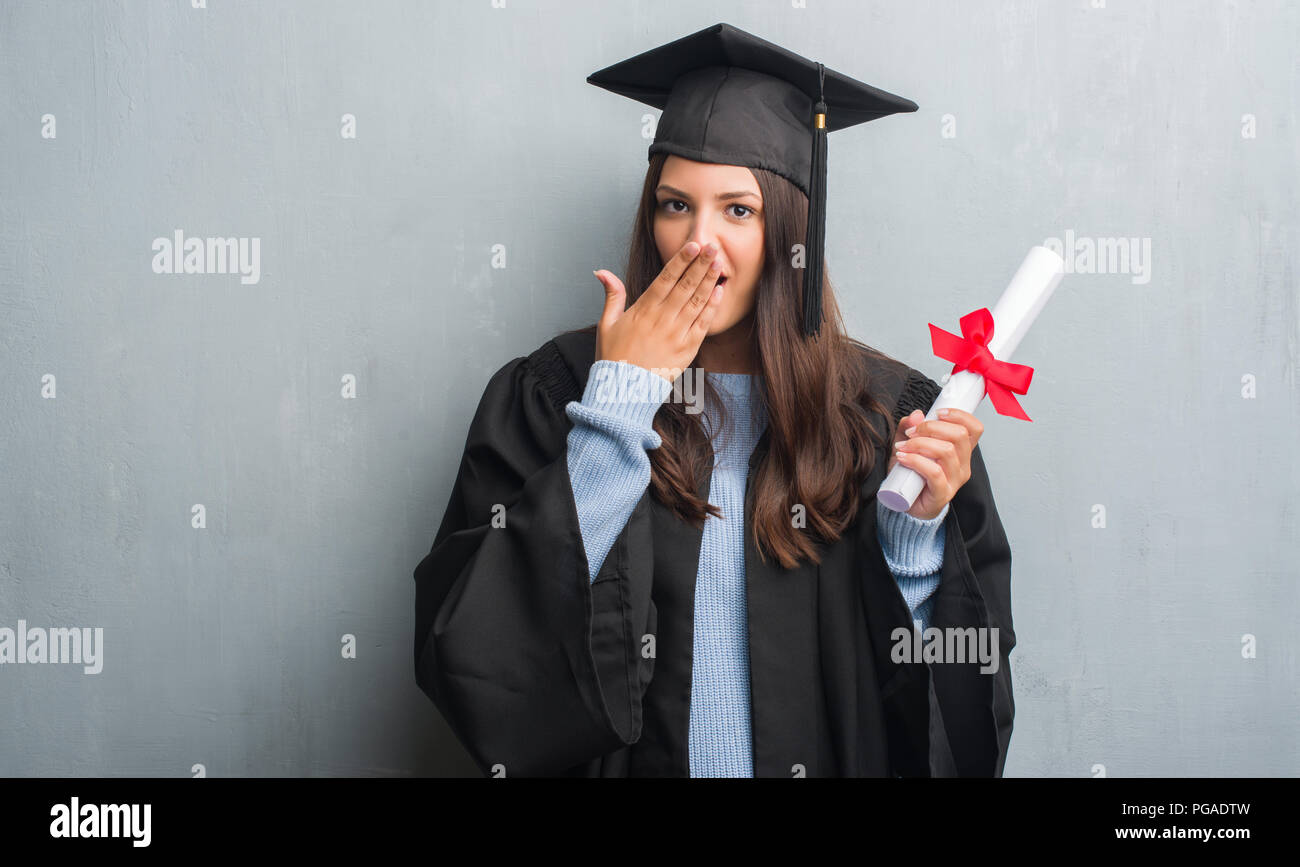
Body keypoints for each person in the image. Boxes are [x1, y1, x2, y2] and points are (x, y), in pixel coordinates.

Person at [414, 22, 1015, 778]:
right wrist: (617, 408)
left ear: (789, 230)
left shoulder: (882, 415)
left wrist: (916, 541)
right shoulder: (558, 391)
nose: (699, 241)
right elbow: (472, 659)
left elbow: (955, 717)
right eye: (674, 205)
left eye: (738, 210)